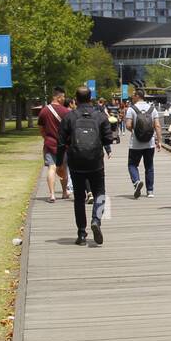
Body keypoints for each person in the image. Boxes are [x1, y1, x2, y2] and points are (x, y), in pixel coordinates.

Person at [56, 85, 115, 245]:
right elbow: (109, 139)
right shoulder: (100, 116)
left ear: (75, 99)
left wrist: (59, 163)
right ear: (91, 98)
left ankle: (81, 234)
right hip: (95, 161)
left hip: (76, 162)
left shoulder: (69, 117)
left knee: (79, 198)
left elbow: (60, 142)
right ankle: (96, 219)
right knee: (100, 193)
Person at [124, 88, 161, 198]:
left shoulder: (132, 109)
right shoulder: (152, 109)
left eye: (133, 95)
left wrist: (135, 131)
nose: (132, 97)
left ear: (137, 96)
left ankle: (136, 181)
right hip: (150, 143)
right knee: (149, 166)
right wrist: (159, 141)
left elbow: (128, 125)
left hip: (135, 143)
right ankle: (150, 191)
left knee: (132, 164)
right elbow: (157, 126)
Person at [37, 86, 71, 203]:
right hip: (63, 146)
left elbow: (41, 128)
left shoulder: (44, 111)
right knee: (63, 169)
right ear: (59, 97)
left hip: (49, 144)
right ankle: (64, 192)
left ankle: (51, 194)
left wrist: (46, 138)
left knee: (51, 168)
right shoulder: (66, 112)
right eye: (63, 97)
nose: (64, 99)